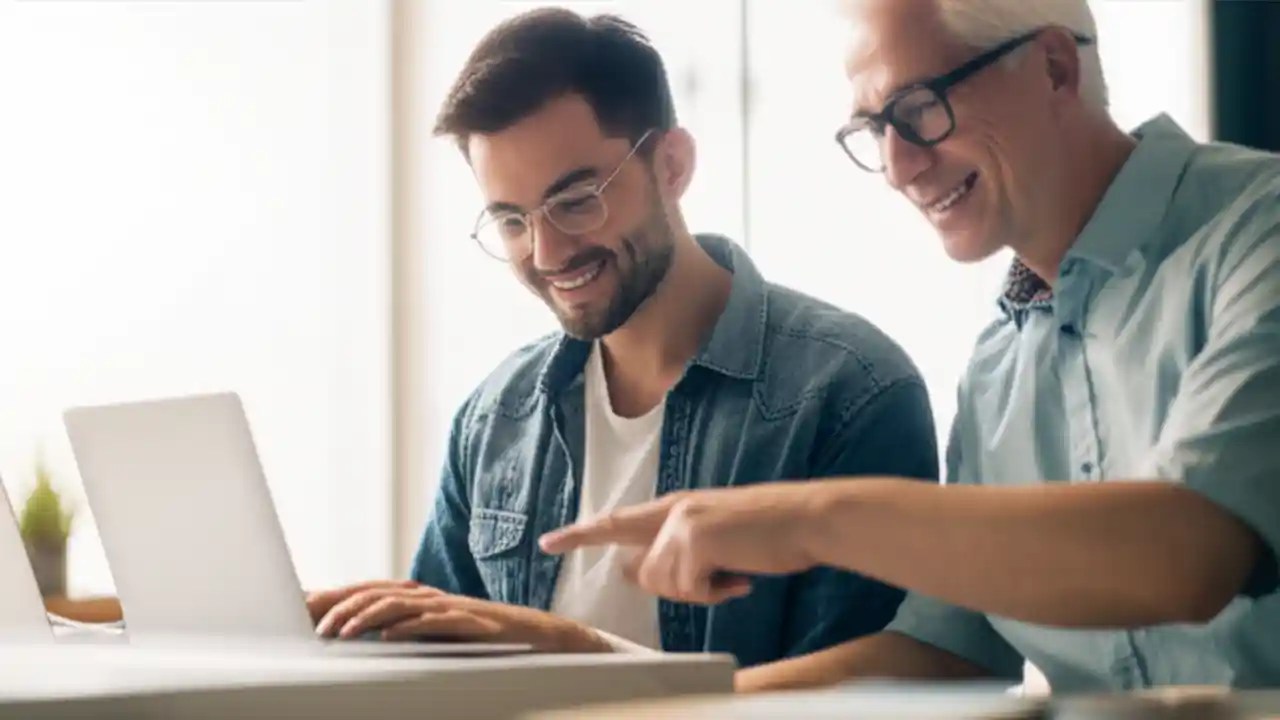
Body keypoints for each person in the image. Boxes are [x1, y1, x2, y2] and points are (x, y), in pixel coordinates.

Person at [541, 0, 1280, 694]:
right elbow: (947, 649)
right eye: (873, 129)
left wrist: (806, 519)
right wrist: (654, 702)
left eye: (920, 108)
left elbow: (1186, 554)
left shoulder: (1258, 233)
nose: (897, 167)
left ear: (1055, 66)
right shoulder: (998, 366)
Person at [306, 7, 938, 677]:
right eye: (512, 221)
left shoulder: (850, 394)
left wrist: (574, 650)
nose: (547, 252)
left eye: (576, 201)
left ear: (672, 164)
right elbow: (436, 672)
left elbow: (864, 699)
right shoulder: (492, 421)